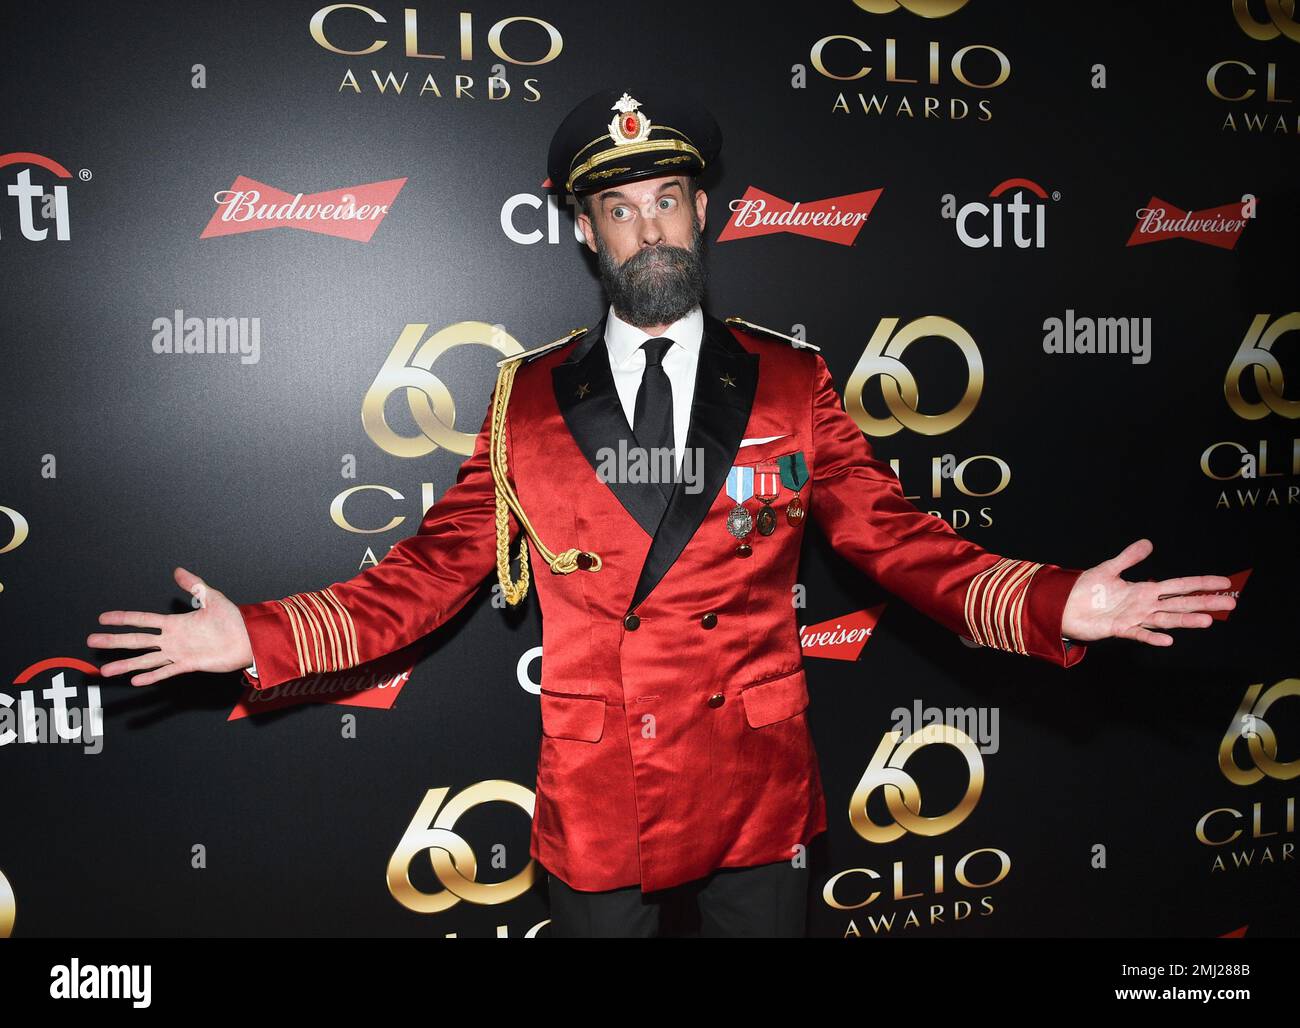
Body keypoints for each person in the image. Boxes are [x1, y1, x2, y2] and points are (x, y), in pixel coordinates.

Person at [87, 85, 1237, 938]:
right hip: (599, 783)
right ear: (584, 232)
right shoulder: (520, 397)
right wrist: (262, 636)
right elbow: (427, 575)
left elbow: (895, 538)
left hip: (755, 773)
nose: (649, 230)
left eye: (669, 201)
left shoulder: (793, 382)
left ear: (706, 213)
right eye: (619, 210)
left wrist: (1047, 598)